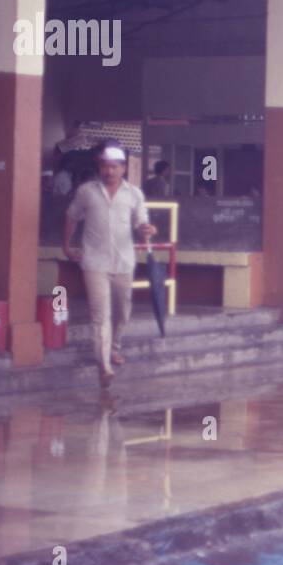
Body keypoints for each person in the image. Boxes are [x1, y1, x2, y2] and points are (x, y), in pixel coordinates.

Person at [63, 143, 157, 386]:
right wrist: (67, 244)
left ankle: (115, 346)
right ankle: (103, 364)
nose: (109, 171)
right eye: (105, 166)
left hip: (124, 262)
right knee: (100, 315)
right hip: (94, 262)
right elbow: (71, 216)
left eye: (114, 167)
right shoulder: (86, 191)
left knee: (122, 311)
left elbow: (140, 224)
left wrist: (146, 230)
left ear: (123, 168)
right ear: (100, 167)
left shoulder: (134, 194)